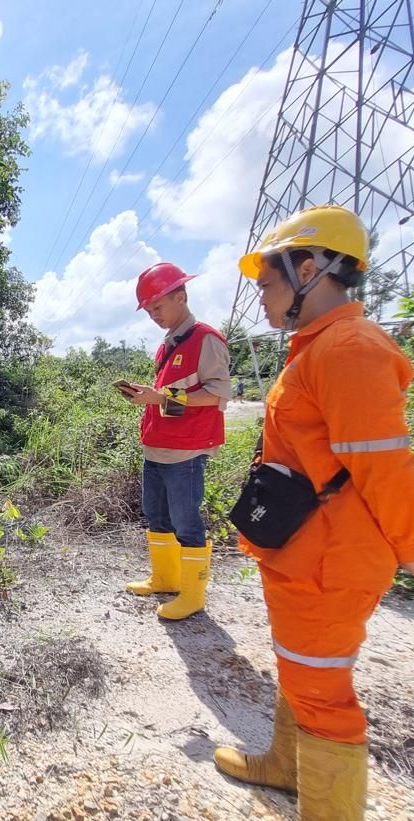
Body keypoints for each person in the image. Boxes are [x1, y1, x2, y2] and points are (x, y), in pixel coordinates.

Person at [216, 204, 414, 821]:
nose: (261, 293)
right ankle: (286, 766)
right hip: (306, 550)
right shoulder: (318, 347)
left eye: (268, 280)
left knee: (321, 689)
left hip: (333, 555)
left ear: (309, 269)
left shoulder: (348, 350)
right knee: (299, 665)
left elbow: (383, 463)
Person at [120, 262, 231, 620]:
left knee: (186, 521)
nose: (153, 315)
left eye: (158, 306)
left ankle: (192, 595)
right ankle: (164, 580)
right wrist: (149, 397)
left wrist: (161, 397)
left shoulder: (206, 339)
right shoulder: (168, 344)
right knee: (156, 515)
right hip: (158, 446)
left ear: (181, 297)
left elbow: (216, 394)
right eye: (149, 310)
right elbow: (171, 394)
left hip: (186, 451)